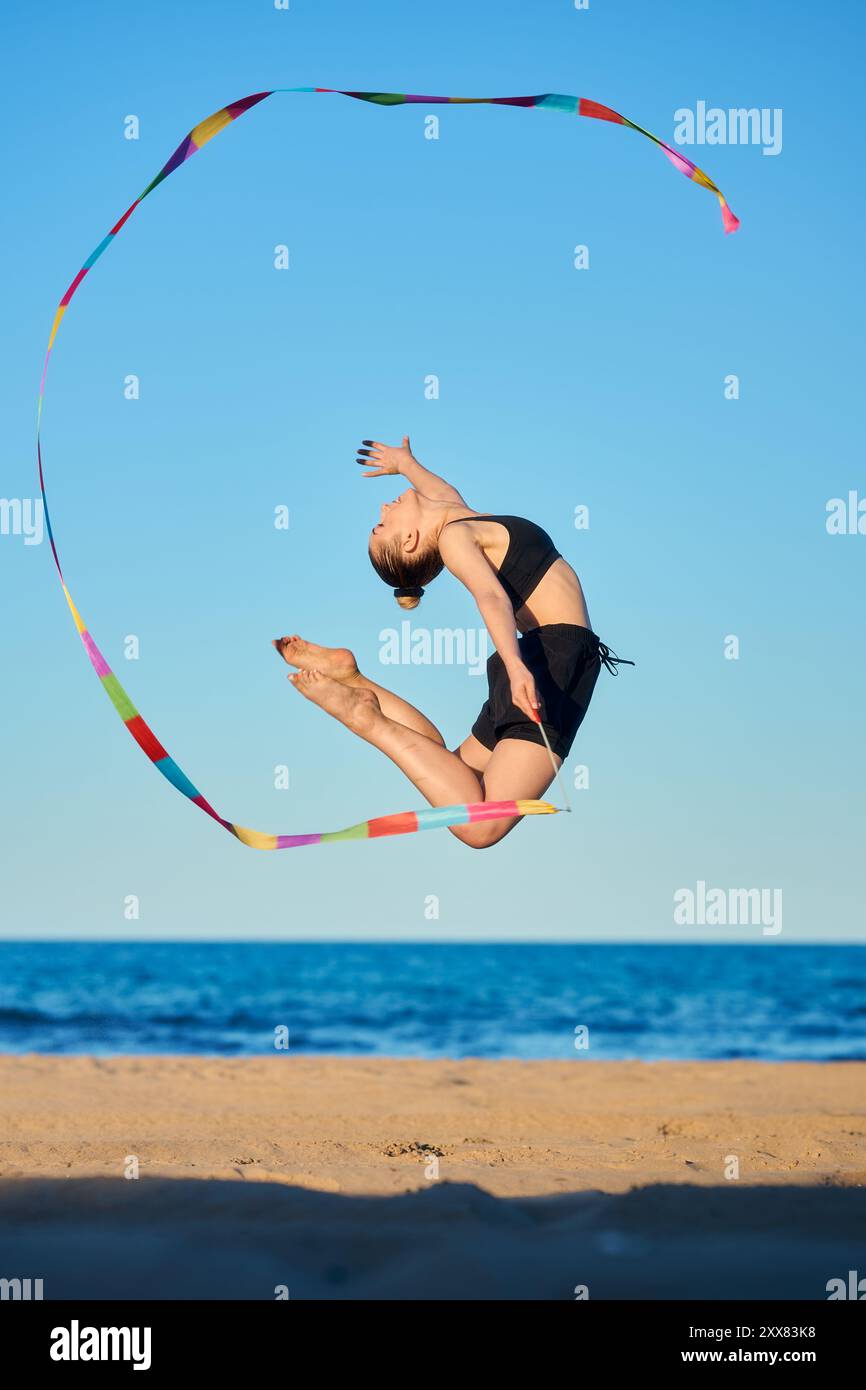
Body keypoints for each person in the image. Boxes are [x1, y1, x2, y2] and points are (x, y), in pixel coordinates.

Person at [273, 436, 631, 848]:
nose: (383, 508)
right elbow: (490, 596)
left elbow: (440, 493)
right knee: (480, 825)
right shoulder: (454, 538)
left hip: (541, 655)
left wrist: (404, 463)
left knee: (448, 766)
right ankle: (369, 720)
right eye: (382, 524)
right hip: (548, 661)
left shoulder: (459, 519)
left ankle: (355, 681)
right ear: (410, 540)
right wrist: (516, 668)